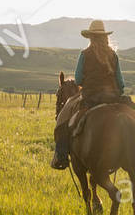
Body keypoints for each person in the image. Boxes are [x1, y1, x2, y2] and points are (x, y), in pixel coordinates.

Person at [50, 19, 128, 169]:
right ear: (105, 37)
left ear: (90, 37)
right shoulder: (113, 55)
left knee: (63, 120)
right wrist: (116, 93)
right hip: (113, 97)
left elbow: (78, 79)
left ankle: (61, 157)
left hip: (91, 97)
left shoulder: (85, 54)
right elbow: (121, 82)